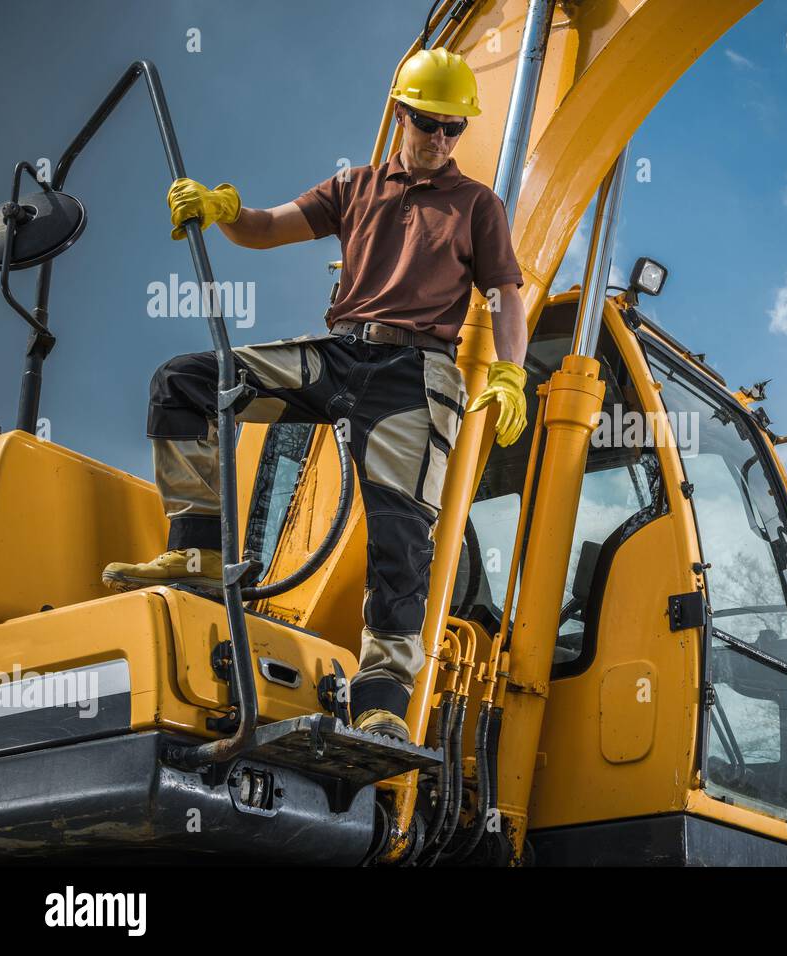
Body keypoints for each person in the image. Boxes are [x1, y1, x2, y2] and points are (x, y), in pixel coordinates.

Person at [102, 48, 529, 742]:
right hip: (339, 353)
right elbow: (270, 227)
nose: (441, 140)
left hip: (413, 375)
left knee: (401, 536)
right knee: (185, 381)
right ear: (401, 114)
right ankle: (201, 551)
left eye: (454, 128)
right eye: (429, 124)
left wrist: (510, 371)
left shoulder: (477, 206)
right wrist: (223, 209)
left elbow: (507, 294)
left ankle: (382, 694)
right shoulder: (356, 187)